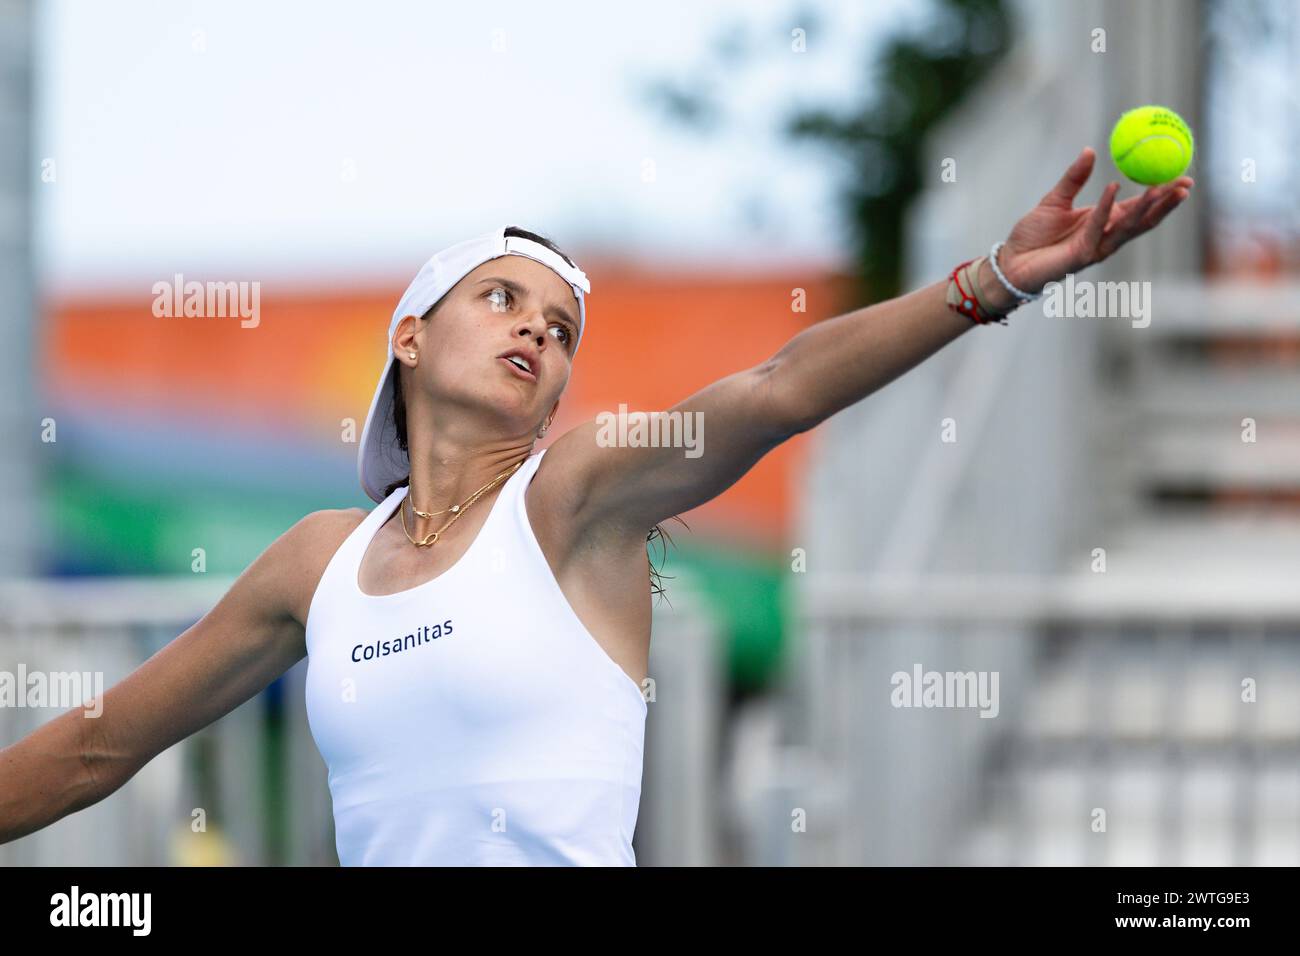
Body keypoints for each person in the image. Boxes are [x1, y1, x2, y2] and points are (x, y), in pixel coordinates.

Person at [0, 148, 1192, 864]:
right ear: (408, 338)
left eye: (561, 327)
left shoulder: (574, 497)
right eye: (502, 299)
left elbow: (776, 388)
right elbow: (101, 742)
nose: (537, 326)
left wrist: (989, 281)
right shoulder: (316, 561)